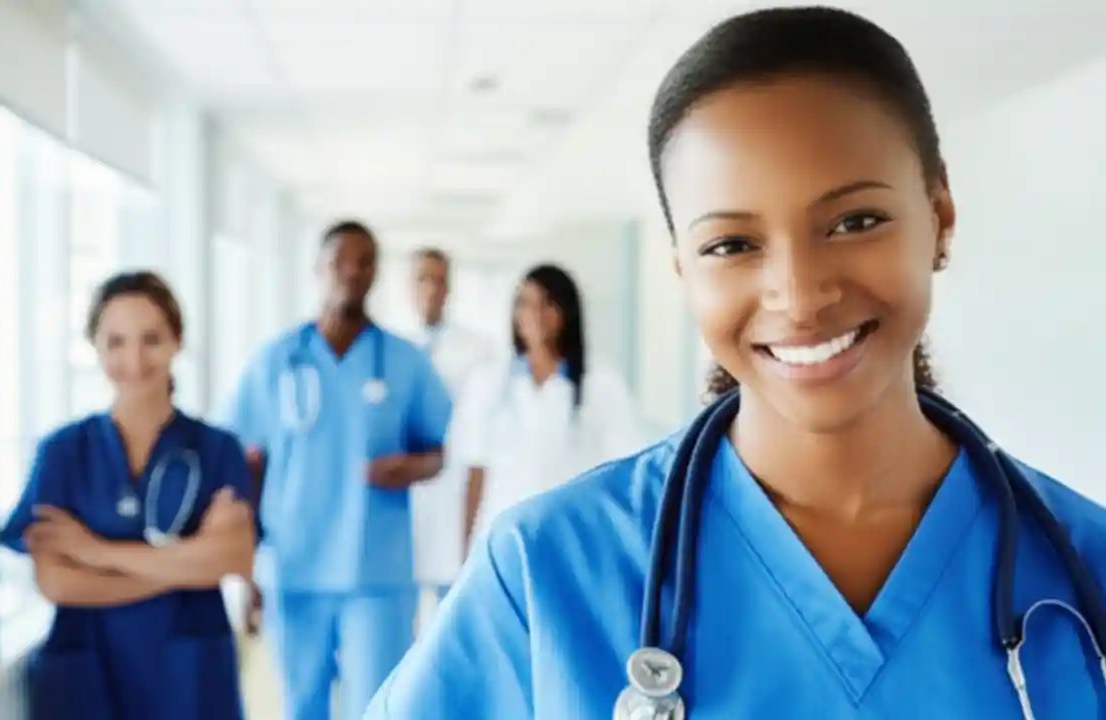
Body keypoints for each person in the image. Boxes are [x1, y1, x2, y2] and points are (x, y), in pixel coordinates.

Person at [365, 7, 1106, 719]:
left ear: (940, 217)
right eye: (732, 245)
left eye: (854, 222)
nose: (800, 294)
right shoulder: (545, 576)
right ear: (684, 267)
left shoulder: (1087, 573)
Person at [218, 221, 453, 720]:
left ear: (375, 273)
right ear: (317, 268)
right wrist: (247, 569)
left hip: (377, 573)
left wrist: (410, 467)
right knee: (301, 707)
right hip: (293, 568)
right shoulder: (276, 361)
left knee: (378, 705)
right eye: (339, 259)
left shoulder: (404, 361)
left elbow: (439, 452)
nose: (351, 270)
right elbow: (247, 468)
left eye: (364, 260)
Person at [0, 271, 254, 720]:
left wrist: (93, 550)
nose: (134, 359)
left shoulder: (216, 449)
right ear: (94, 346)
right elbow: (56, 582)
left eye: (151, 339)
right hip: (87, 674)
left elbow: (234, 559)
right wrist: (184, 565)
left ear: (177, 341)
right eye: (115, 342)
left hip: (188, 674)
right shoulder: (62, 452)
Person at [455, 264, 643, 548]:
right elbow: (475, 472)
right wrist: (466, 555)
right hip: (502, 540)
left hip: (573, 538)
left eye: (548, 303)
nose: (536, 314)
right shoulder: (488, 381)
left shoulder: (601, 384)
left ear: (567, 311)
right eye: (526, 304)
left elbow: (624, 474)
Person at [403, 247, 493, 603]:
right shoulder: (394, 350)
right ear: (408, 287)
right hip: (406, 498)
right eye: (422, 279)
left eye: (439, 280)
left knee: (452, 602)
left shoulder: (479, 352)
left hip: (455, 491)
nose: (431, 289)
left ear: (450, 288)